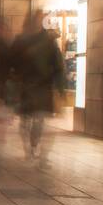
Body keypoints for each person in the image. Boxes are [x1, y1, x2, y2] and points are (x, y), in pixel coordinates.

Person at [14, 9, 64, 166]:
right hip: (27, 85)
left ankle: (34, 144)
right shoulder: (22, 40)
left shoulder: (48, 40)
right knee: (25, 119)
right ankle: (29, 148)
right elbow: (14, 62)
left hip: (42, 85)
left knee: (39, 118)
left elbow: (57, 64)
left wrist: (60, 86)